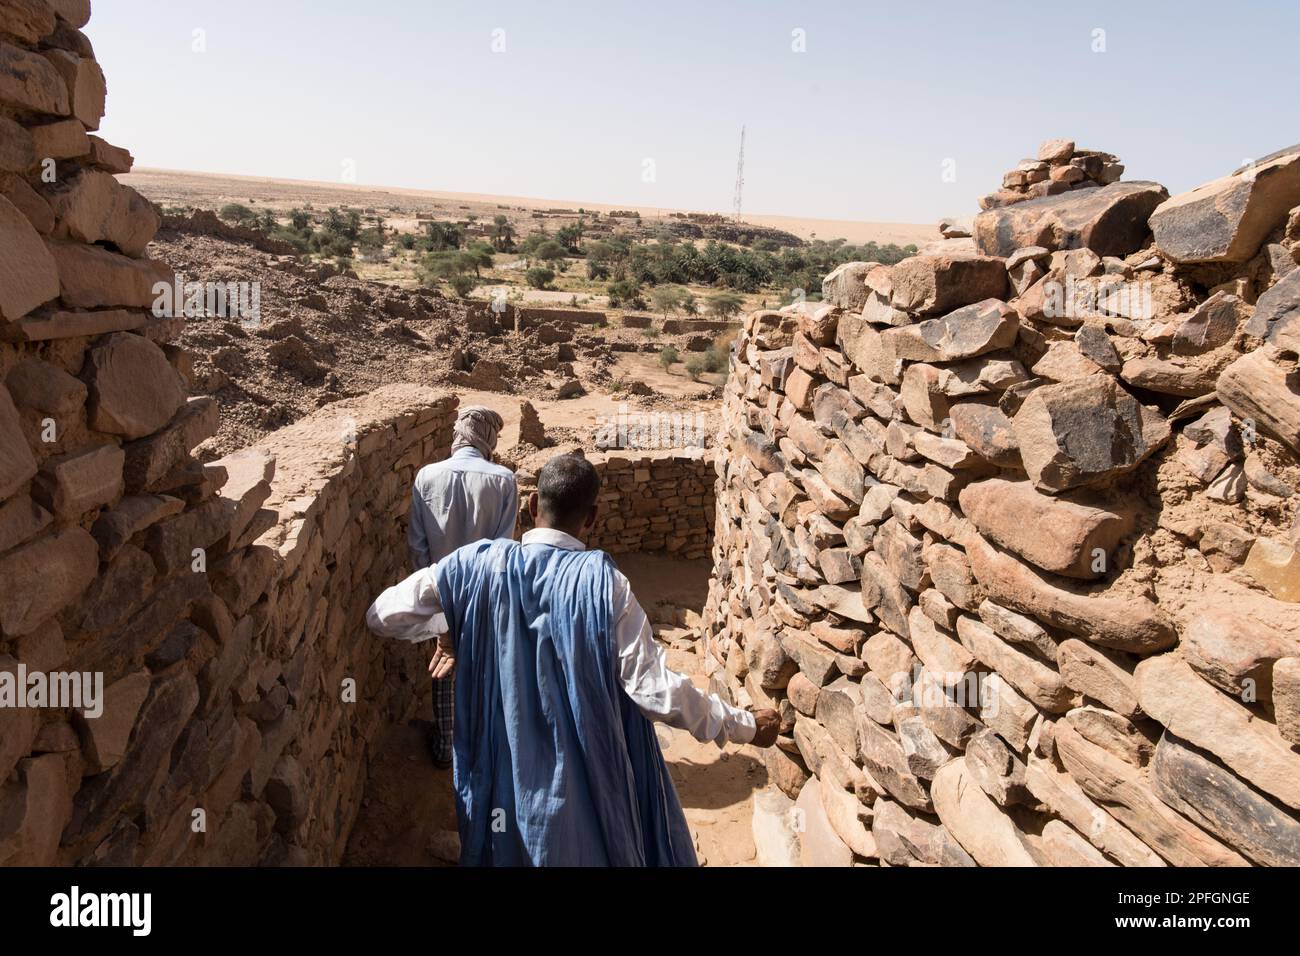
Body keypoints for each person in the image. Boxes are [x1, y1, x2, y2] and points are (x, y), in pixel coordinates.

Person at [368, 453, 780, 866]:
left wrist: (452, 625)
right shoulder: (606, 588)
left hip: (503, 778)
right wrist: (742, 725)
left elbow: (383, 615)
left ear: (531, 507)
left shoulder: (474, 567)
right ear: (593, 517)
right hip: (581, 788)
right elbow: (654, 690)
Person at [408, 405, 517, 767]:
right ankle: (483, 747)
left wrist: (436, 606)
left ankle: (445, 748)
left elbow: (418, 548)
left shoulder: (426, 477)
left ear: (458, 434)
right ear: (489, 439)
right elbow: (502, 553)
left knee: (443, 668)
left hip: (439, 592)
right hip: (485, 596)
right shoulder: (503, 480)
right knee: (485, 669)